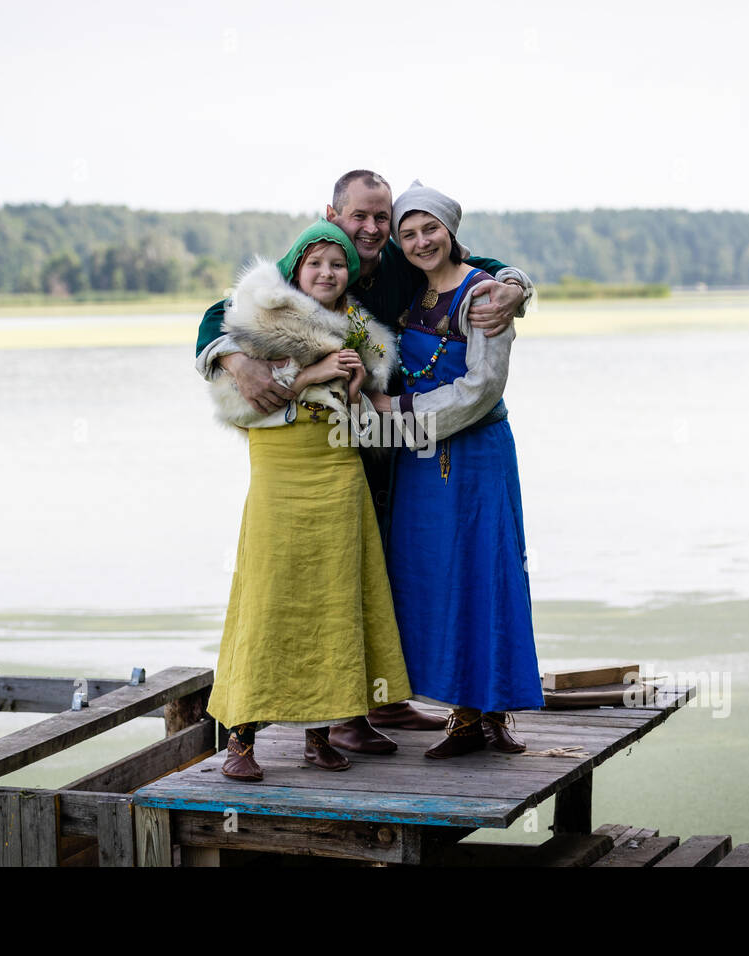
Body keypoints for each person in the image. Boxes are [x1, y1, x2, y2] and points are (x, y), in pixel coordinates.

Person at [195, 170, 536, 752]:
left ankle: (388, 698)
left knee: (385, 569)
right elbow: (223, 311)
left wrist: (516, 285)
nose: (375, 229)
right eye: (362, 217)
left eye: (385, 219)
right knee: (344, 571)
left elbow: (471, 257)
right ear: (332, 214)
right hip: (343, 445)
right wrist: (231, 358)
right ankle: (346, 715)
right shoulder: (311, 259)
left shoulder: (406, 261)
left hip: (396, 438)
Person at [205, 218, 411, 781]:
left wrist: (361, 393)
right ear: (296, 268)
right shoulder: (256, 320)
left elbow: (371, 405)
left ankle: (318, 736)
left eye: (338, 263)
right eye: (316, 262)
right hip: (281, 474)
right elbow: (237, 405)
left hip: (340, 472)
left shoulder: (361, 331)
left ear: (350, 275)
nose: (327, 271)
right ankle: (240, 741)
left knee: (334, 601)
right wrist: (307, 372)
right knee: (267, 602)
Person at [363, 181, 544, 759]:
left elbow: (483, 386)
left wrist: (401, 414)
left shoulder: (483, 294)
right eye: (408, 232)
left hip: (474, 455)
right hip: (419, 460)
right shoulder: (413, 294)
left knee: (485, 571)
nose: (420, 241)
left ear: (450, 230)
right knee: (434, 576)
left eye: (430, 229)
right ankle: (459, 712)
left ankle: (491, 711)